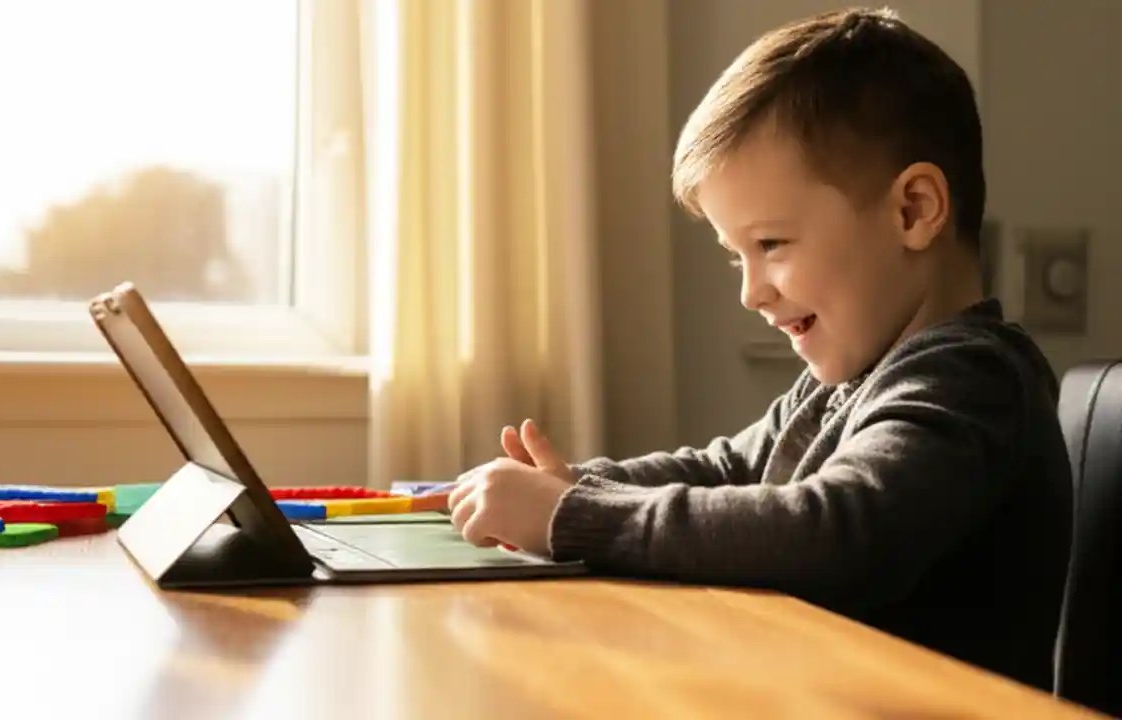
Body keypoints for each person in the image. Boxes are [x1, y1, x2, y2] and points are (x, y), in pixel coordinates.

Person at [446, 7, 1072, 691]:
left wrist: (573, 518)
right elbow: (726, 469)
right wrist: (571, 486)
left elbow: (837, 531)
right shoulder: (851, 380)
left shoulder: (972, 379)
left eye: (771, 244)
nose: (751, 293)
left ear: (913, 210)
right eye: (734, 257)